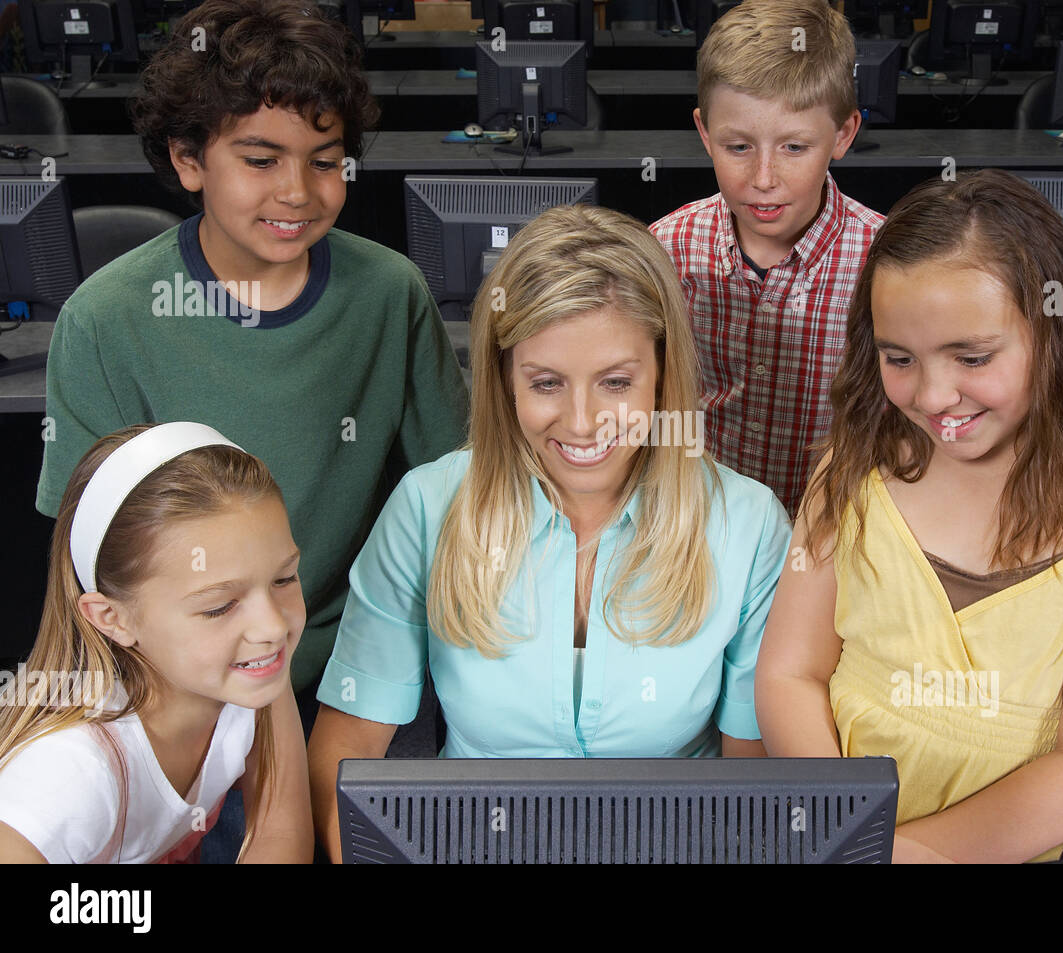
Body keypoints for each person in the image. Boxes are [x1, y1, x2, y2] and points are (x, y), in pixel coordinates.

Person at [307, 205, 791, 862]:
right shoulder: (427, 507)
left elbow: (752, 785)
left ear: (662, 375)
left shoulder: (749, 525)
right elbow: (347, 752)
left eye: (616, 382)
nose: (584, 421)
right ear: (505, 379)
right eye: (546, 383)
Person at [34, 0, 468, 707]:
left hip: (354, 669)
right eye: (260, 159)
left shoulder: (391, 293)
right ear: (187, 159)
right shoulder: (104, 320)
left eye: (325, 162)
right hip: (180, 683)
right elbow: (84, 561)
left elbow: (456, 495)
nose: (297, 191)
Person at [755, 169, 1063, 863]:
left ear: (1055, 334)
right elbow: (789, 672)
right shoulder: (853, 465)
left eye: (973, 357)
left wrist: (896, 854)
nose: (933, 395)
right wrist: (843, 831)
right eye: (900, 358)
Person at [0, 423, 311, 863]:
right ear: (113, 618)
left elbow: (279, 832)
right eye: (219, 606)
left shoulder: (248, 670)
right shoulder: (68, 770)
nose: (272, 627)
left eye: (283, 578)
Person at [650, 0, 885, 516]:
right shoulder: (665, 249)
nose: (762, 178)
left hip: (831, 533)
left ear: (843, 134)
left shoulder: (885, 263)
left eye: (794, 148)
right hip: (700, 525)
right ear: (705, 132)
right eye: (737, 147)